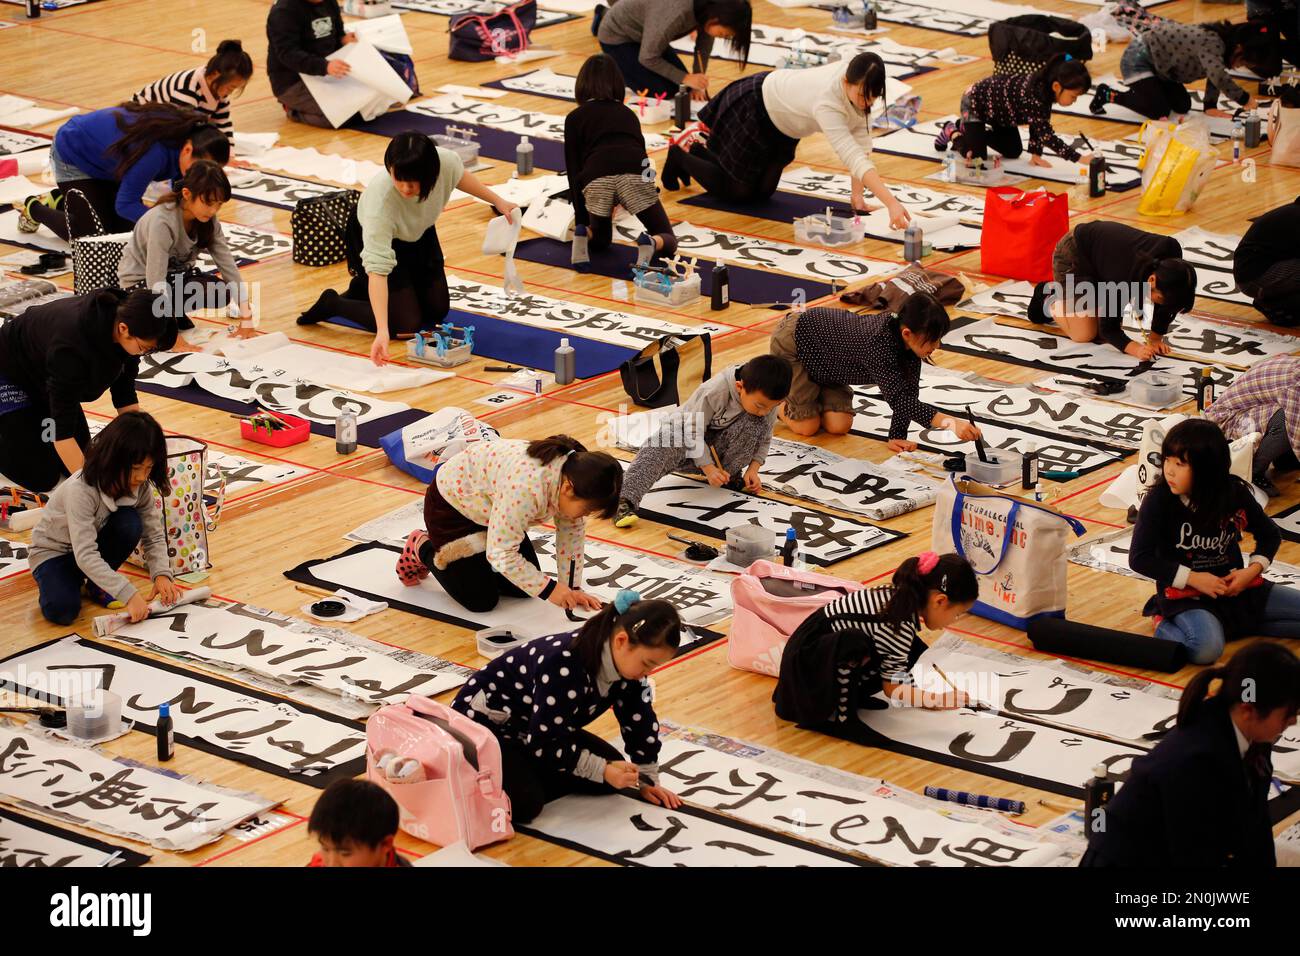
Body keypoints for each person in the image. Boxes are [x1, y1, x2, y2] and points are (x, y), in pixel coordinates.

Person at [452, 590, 683, 824]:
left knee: (616, 772)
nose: (648, 672)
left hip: (532, 729)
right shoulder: (564, 663)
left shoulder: (628, 670)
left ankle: (532, 765)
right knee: (525, 804)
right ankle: (504, 771)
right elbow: (545, 741)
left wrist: (647, 778)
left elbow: (639, 719)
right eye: (647, 663)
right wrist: (601, 769)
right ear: (621, 641)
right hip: (482, 727)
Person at [295, 133, 519, 366]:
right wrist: (382, 330)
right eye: (398, 178)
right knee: (404, 325)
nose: (405, 187)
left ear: (430, 174)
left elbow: (460, 176)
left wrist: (498, 201)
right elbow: (379, 269)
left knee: (436, 310)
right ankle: (334, 303)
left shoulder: (446, 162)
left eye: (412, 181)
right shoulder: (380, 205)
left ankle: (363, 289)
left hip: (418, 230)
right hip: (381, 236)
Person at [1081, 639, 1300, 867]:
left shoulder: (1255, 740)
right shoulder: (1196, 759)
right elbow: (1192, 855)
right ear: (1248, 711)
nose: (1293, 721)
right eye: (1288, 714)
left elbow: (1256, 825)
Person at [661, 52, 910, 225]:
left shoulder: (858, 80)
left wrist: (858, 197)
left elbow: (861, 145)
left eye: (873, 99)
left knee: (763, 193)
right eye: (863, 96)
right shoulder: (828, 102)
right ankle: (680, 156)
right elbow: (850, 154)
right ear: (846, 82)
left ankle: (699, 153)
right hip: (756, 106)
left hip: (784, 128)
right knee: (738, 191)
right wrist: (891, 203)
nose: (867, 103)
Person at [1129, 418, 1300, 665]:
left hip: (1236, 590)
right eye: (1167, 460)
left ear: (1207, 468)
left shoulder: (1233, 493)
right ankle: (1162, 620)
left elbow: (1269, 534)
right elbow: (1139, 558)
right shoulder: (1159, 501)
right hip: (1186, 595)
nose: (1169, 470)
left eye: (1180, 464)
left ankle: (1238, 624)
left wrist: (1250, 572)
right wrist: (1194, 578)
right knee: (1205, 650)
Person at [397, 436, 621, 614]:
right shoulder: (527, 488)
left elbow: (571, 536)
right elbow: (501, 553)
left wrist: (571, 589)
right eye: (586, 510)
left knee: (524, 590)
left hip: (494, 510)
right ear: (568, 489)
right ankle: (421, 546)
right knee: (481, 600)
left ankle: (479, 553)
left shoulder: (572, 474)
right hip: (453, 508)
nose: (584, 516)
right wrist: (551, 590)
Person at [0, 289, 176, 493]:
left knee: (88, 461)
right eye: (145, 348)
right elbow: (62, 432)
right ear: (123, 328)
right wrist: (95, 492)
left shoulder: (127, 325)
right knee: (42, 476)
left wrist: (143, 444)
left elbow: (124, 393)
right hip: (9, 374)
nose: (145, 353)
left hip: (45, 379)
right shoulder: (72, 345)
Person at [773, 552, 979, 726]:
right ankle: (839, 717)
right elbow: (893, 688)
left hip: (813, 656)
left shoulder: (898, 600)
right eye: (957, 614)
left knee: (914, 648)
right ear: (940, 601)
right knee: (855, 643)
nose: (954, 621)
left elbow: (896, 667)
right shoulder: (898, 622)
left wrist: (919, 696)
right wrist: (935, 700)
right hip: (803, 676)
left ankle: (853, 696)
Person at [768, 292, 983, 447]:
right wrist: (950, 423)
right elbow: (899, 399)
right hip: (795, 344)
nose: (936, 347)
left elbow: (908, 392)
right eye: (932, 340)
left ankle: (807, 395)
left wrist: (897, 436)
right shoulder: (878, 344)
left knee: (838, 426)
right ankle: (774, 399)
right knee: (807, 427)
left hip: (830, 363)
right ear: (907, 333)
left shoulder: (908, 344)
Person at [27, 412, 177, 626]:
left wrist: (162, 574)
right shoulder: (81, 490)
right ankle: (68, 579)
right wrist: (129, 594)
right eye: (136, 469)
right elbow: (85, 554)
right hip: (54, 553)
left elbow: (153, 534)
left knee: (130, 523)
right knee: (62, 611)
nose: (142, 477)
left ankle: (96, 584)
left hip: (89, 550)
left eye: (148, 468)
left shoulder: (140, 487)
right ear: (114, 460)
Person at [613, 354, 792, 528]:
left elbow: (765, 437)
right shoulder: (715, 390)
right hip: (685, 436)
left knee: (755, 423)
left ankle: (729, 475)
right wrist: (708, 468)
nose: (764, 412)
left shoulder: (766, 402)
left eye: (771, 407)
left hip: (715, 448)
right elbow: (692, 430)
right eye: (760, 406)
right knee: (661, 443)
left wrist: (753, 469)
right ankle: (624, 500)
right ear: (739, 387)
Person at [17, 103, 230, 241]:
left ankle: (62, 200)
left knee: (125, 233)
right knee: (93, 237)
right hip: (74, 154)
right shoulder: (154, 153)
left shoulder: (189, 143)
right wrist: (165, 224)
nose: (205, 176)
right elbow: (126, 204)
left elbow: (182, 197)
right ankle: (35, 207)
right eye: (202, 168)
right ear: (187, 149)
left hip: (110, 165)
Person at [565, 54, 678, 267]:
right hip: (634, 174)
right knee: (668, 238)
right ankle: (651, 242)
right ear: (617, 83)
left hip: (596, 177)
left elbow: (574, 169)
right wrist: (650, 190)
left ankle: (583, 234)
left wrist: (582, 220)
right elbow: (642, 156)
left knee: (601, 239)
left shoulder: (574, 117)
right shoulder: (628, 114)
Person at [1027, 221, 1198, 359]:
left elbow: (1167, 301)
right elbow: (1108, 329)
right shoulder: (1124, 276)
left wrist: (1155, 339)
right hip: (1075, 254)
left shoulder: (1172, 261)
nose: (1155, 303)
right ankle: (1048, 296)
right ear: (1152, 279)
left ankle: (1089, 296)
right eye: (1157, 298)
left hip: (1103, 264)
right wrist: (1136, 349)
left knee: (1098, 330)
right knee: (1084, 334)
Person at [117, 160, 252, 335]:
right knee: (161, 301)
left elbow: (227, 263)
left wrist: (247, 318)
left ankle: (174, 313)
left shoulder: (208, 219)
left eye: (219, 204)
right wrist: (171, 336)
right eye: (209, 203)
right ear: (187, 194)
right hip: (140, 285)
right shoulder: (162, 221)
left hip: (175, 278)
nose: (213, 210)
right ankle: (163, 320)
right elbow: (155, 281)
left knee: (218, 292)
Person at [1091, 17, 1277, 120]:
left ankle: (1151, 90)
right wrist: (1244, 99)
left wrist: (1210, 106)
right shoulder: (1213, 42)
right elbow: (1218, 75)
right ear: (1239, 48)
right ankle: (1108, 94)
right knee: (1158, 110)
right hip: (1138, 60)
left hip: (1162, 69)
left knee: (1182, 105)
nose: (1240, 66)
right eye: (1243, 62)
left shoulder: (1220, 47)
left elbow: (1215, 72)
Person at [933, 54, 1093, 168]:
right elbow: (1047, 136)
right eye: (1073, 96)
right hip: (974, 103)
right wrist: (1079, 158)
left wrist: (1036, 154)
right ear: (1057, 86)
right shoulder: (1035, 95)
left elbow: (1038, 124)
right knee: (977, 160)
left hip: (1000, 114)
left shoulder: (1044, 90)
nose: (1075, 101)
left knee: (1013, 150)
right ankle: (953, 131)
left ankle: (971, 131)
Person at [596, 0, 751, 99]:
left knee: (682, 89)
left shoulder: (708, 10)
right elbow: (648, 57)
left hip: (644, 37)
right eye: (724, 34)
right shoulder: (676, 12)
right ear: (717, 19)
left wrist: (697, 79)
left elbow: (702, 48)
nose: (722, 37)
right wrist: (687, 78)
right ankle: (614, 62)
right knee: (663, 92)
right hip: (618, 36)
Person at [1207, 355, 1300, 497]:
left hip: (1252, 411)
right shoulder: (1294, 386)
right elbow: (1296, 431)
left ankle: (1284, 458)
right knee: (1284, 418)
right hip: (1227, 420)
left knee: (1288, 415)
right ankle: (1254, 471)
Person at [130, 39, 254, 145]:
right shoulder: (188, 89)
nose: (230, 92)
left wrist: (229, 156)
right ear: (216, 75)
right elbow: (180, 131)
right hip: (139, 121)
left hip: (166, 124)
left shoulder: (219, 90)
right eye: (231, 87)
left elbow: (223, 124)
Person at [266, 0, 354, 128]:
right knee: (337, 118)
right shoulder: (283, 12)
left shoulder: (329, 3)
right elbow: (288, 54)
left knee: (365, 106)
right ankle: (293, 110)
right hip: (293, 81)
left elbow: (338, 33)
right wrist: (324, 66)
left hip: (327, 74)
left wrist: (343, 40)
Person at [307, 779, 412, 867]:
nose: (332, 864)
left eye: (345, 853)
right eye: (325, 849)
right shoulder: (318, 863)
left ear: (385, 844)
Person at [1233, 195, 1300, 327]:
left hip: (1256, 271)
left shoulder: (1292, 212)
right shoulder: (1296, 217)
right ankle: (1276, 305)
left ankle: (1277, 303)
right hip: (1253, 277)